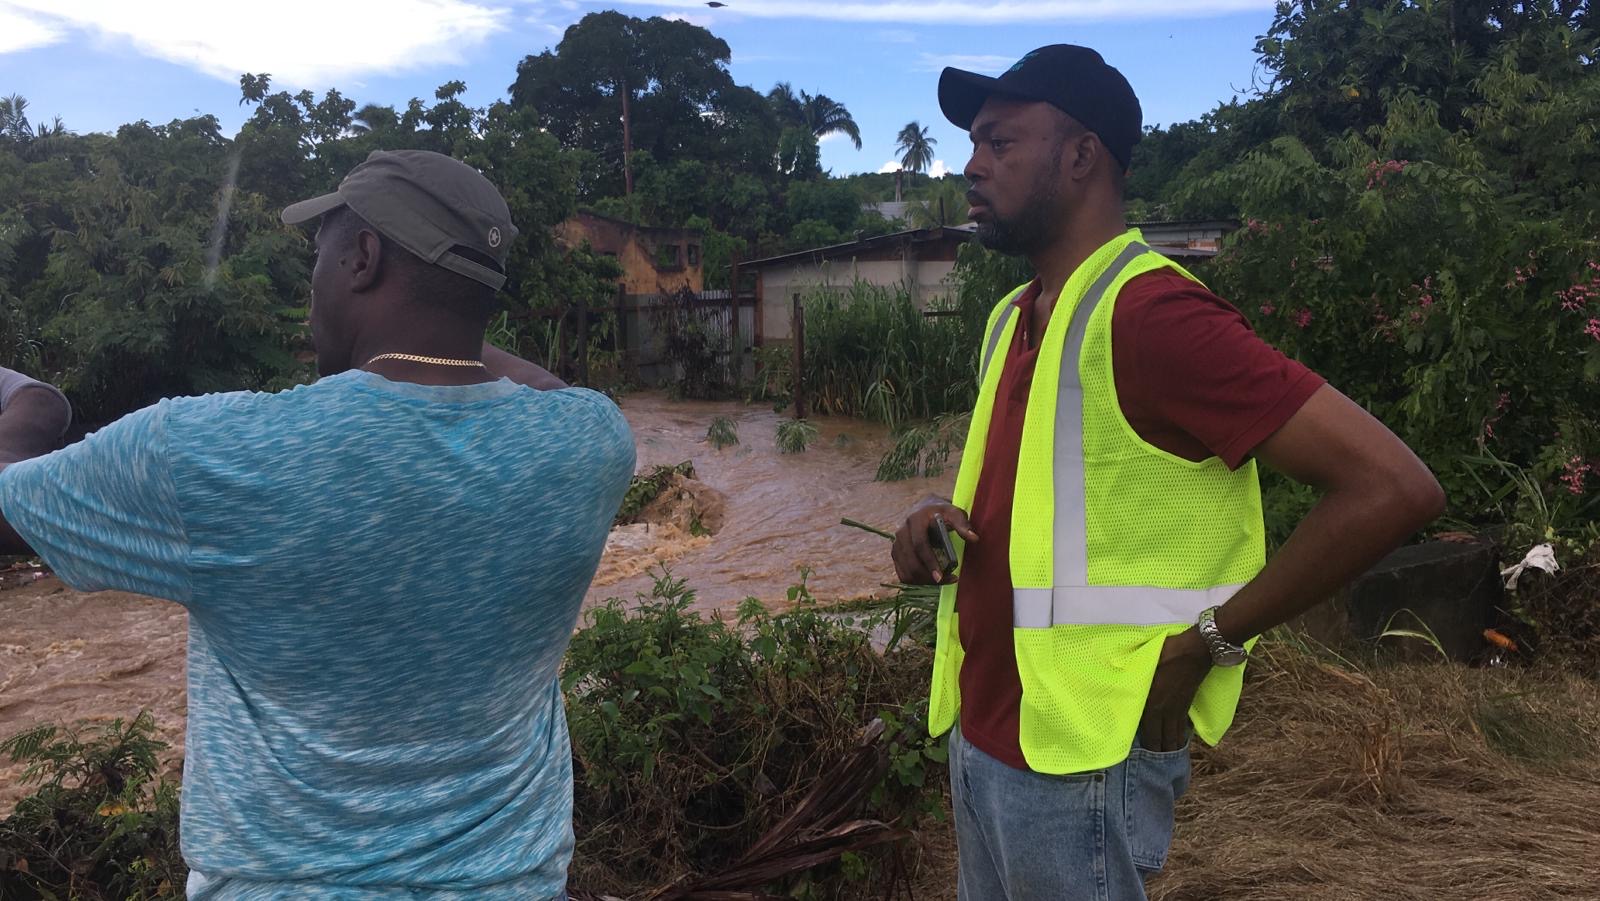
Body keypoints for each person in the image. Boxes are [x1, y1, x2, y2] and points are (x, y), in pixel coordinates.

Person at [0, 149, 636, 899]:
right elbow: (542, 387)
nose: (310, 290)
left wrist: (33, 407)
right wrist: (446, 331)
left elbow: (10, 506)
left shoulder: (212, 454)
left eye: (319, 257)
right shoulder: (592, 444)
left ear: (362, 258)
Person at [890, 46, 1446, 900]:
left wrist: (1209, 642)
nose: (972, 164)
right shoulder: (1019, 315)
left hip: (1085, 757)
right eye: (974, 142)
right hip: (987, 732)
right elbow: (1053, 498)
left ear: (1080, 157)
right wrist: (937, 512)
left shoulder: (1152, 314)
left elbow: (1392, 487)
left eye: (1000, 141)